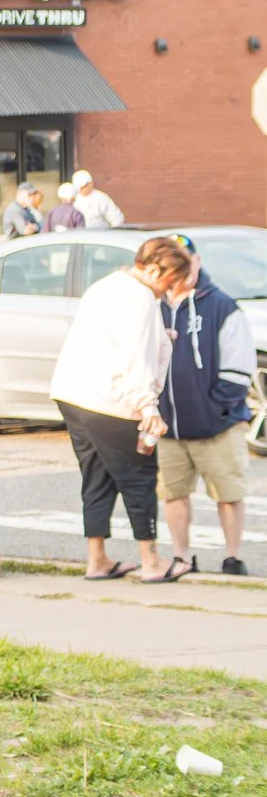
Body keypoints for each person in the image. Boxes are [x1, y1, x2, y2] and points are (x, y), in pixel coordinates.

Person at [48, 234, 191, 582]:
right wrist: (149, 408)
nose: (170, 288)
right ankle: (152, 562)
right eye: (171, 279)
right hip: (112, 401)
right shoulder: (140, 298)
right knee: (139, 477)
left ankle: (97, 559)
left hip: (73, 393)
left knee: (96, 477)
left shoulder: (106, 284)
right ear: (157, 269)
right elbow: (135, 356)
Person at [158, 238, 250, 576]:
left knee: (228, 493)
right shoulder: (154, 306)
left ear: (197, 261)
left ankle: (232, 557)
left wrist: (214, 411)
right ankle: (182, 556)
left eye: (186, 261)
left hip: (217, 427)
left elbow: (238, 371)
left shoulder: (222, 306)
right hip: (168, 427)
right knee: (174, 494)